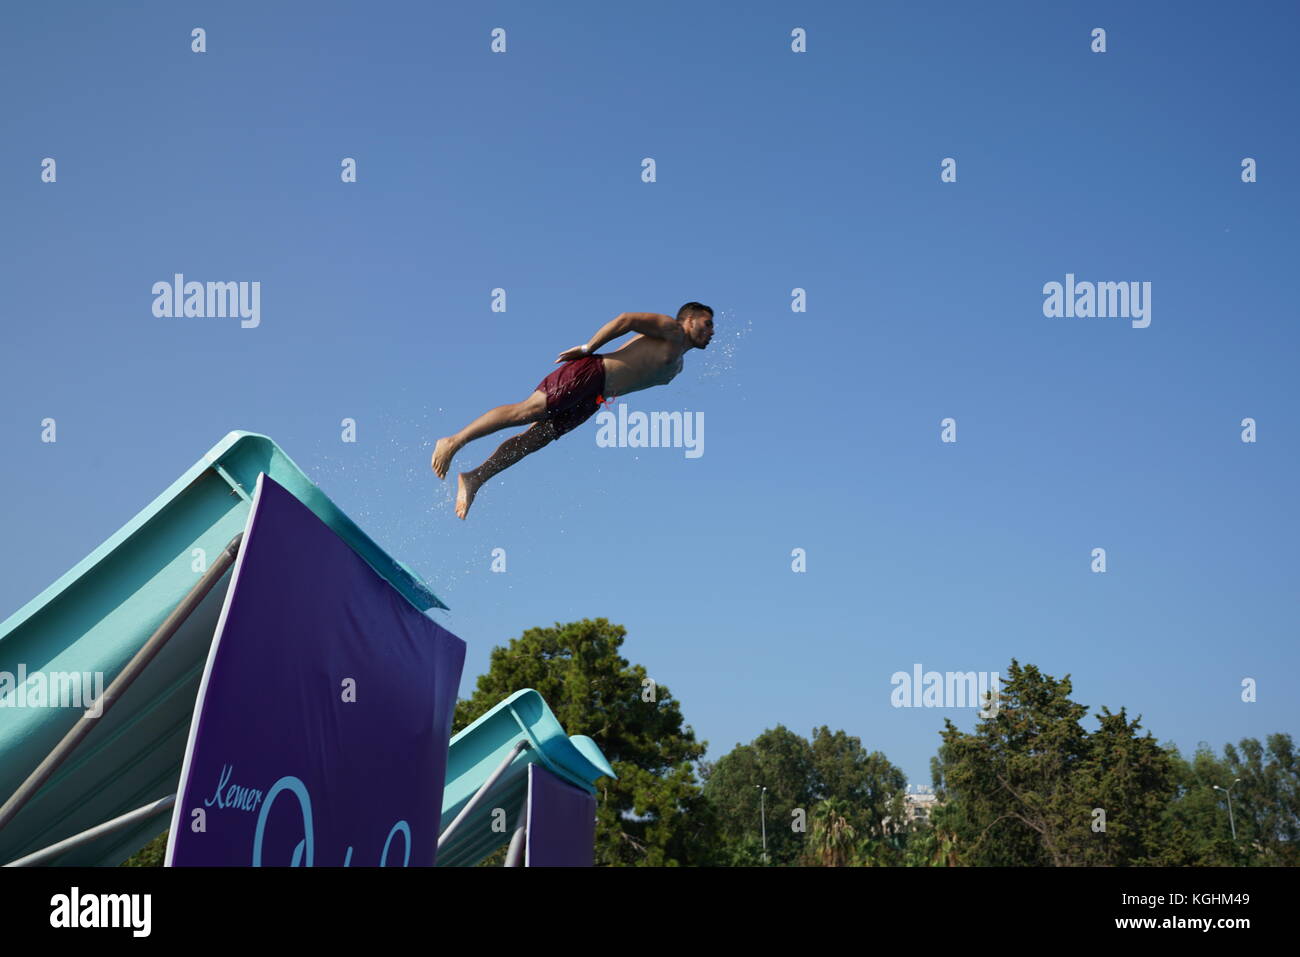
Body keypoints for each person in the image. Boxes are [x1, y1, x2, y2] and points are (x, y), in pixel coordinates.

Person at [431, 302, 714, 518]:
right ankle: (453, 441)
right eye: (707, 323)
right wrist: (587, 347)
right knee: (528, 411)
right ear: (688, 319)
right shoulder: (671, 330)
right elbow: (626, 321)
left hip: (596, 398)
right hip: (591, 373)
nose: (711, 331)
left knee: (534, 440)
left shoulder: (678, 365)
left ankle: (475, 478)